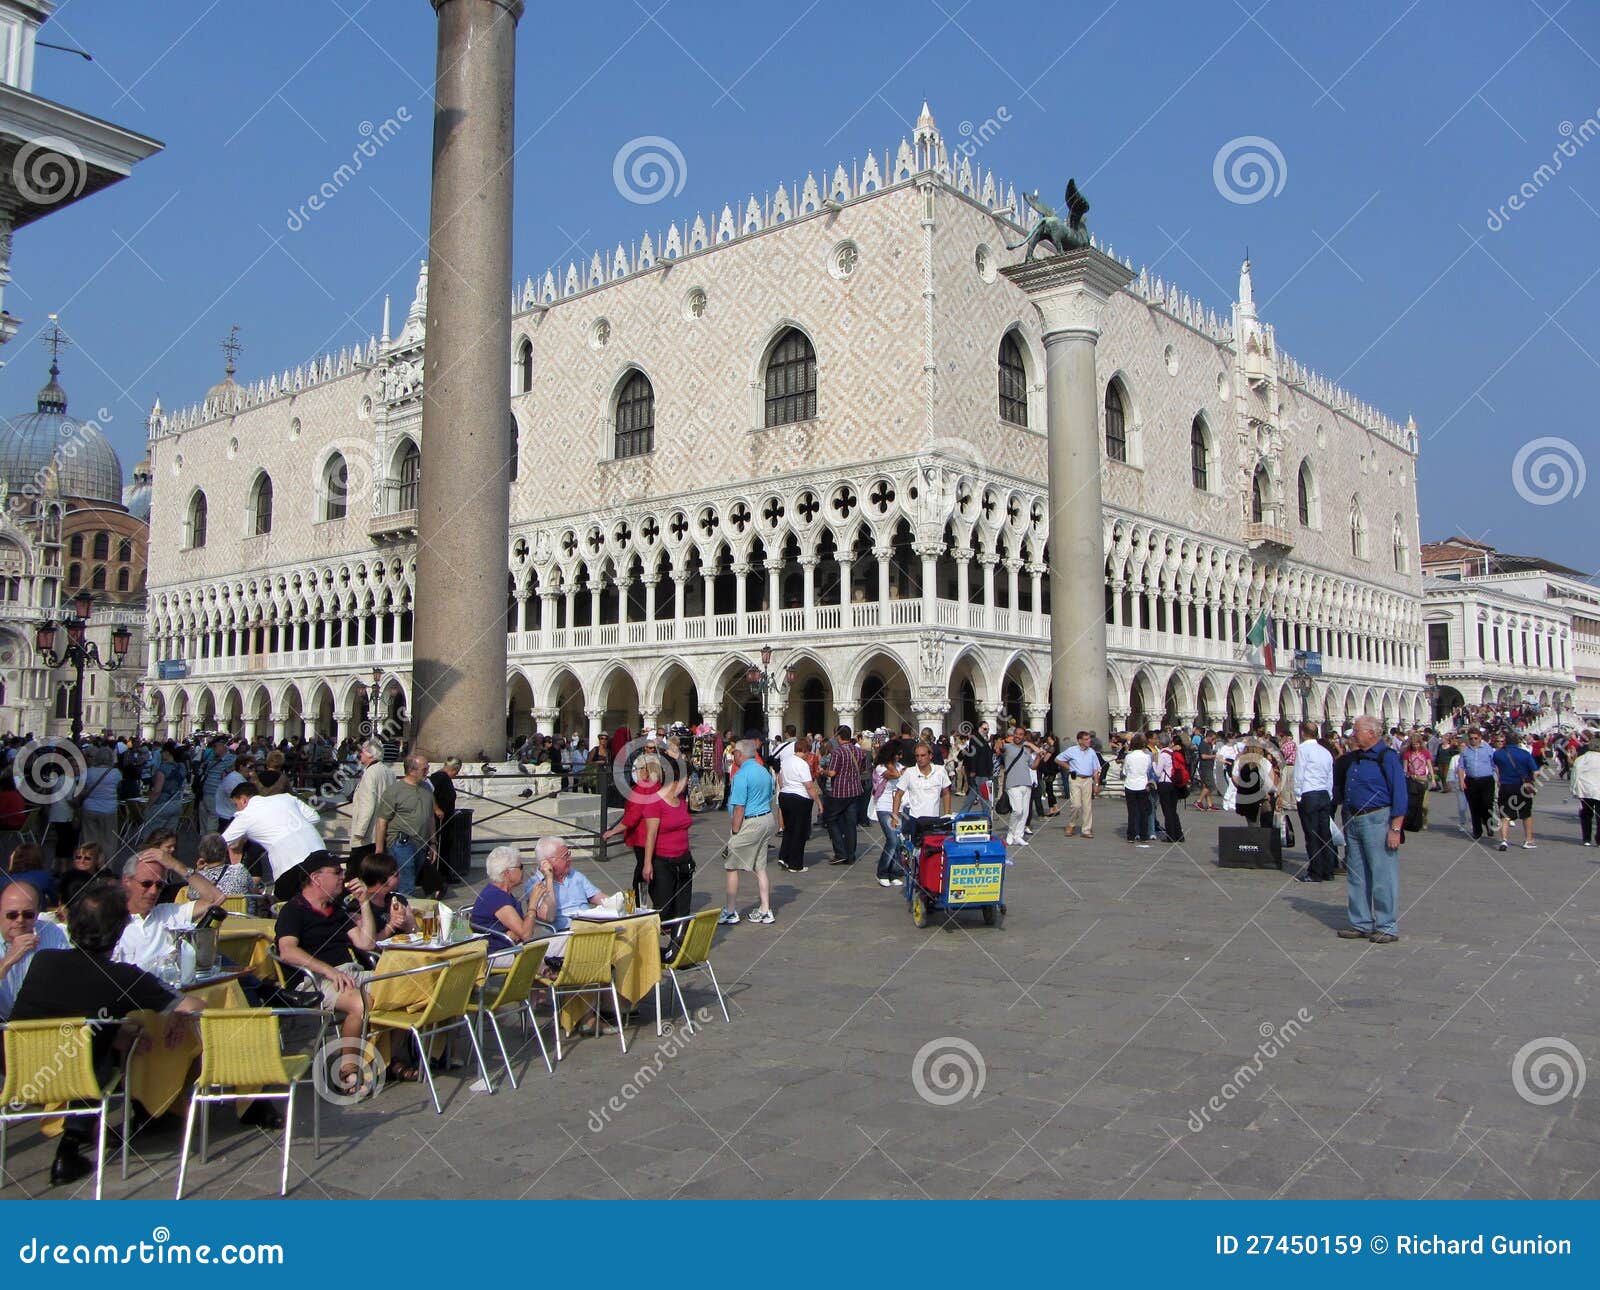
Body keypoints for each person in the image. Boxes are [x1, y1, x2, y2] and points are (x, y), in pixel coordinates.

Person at [11, 884, 207, 1186]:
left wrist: (114, 1028)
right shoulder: (125, 977)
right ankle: (77, 1141)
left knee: (100, 1039)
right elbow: (193, 1006)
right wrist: (169, 1017)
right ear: (119, 931)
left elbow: (62, 1011)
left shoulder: (43, 960)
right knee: (105, 1053)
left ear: (72, 927)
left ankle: (74, 1142)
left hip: (18, 1075)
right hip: (77, 1077)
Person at [273, 854, 378, 1093]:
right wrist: (328, 971)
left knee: (400, 991)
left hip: (351, 973)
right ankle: (347, 1070)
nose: (344, 877)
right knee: (361, 1004)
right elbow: (287, 950)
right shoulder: (294, 910)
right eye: (337, 872)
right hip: (314, 980)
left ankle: (389, 1061)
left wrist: (364, 902)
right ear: (316, 877)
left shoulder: (336, 908)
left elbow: (366, 943)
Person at [1332, 715, 1407, 943]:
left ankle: (1386, 925)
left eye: (1357, 731)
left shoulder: (1387, 757)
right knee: (1356, 873)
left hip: (1378, 819)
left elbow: (1400, 794)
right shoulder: (1355, 758)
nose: (1353, 734)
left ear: (1372, 733)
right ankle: (1361, 922)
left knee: (1382, 874)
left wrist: (1395, 828)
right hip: (1354, 819)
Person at [112, 847, 225, 972]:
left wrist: (176, 865)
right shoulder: (111, 923)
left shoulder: (169, 913)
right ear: (126, 881)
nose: (153, 891)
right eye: (146, 884)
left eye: (159, 885)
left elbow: (216, 898)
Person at [222, 782, 329, 899]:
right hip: (320, 852)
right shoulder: (286, 798)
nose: (236, 809)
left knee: (286, 903)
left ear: (243, 800)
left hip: (289, 866)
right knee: (325, 900)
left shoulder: (246, 815)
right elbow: (314, 817)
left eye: (236, 805)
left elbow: (221, 842)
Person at [722, 738, 776, 926]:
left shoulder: (742, 775)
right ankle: (765, 908)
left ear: (740, 754)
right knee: (760, 866)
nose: (733, 755)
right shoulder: (764, 771)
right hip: (767, 818)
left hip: (750, 822)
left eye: (734, 752)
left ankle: (730, 911)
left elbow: (739, 807)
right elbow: (770, 796)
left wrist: (735, 831)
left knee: (731, 865)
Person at [636, 755, 695, 926]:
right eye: (687, 779)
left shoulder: (682, 800)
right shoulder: (655, 802)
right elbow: (651, 835)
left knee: (683, 910)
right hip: (663, 861)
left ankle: (679, 946)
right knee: (663, 908)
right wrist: (647, 864)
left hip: (684, 860)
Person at [0, 879, 70, 1021]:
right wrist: (7, 961)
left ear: (37, 914)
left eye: (28, 915)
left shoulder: (52, 933)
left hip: (39, 1026)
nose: (20, 920)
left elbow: (68, 982)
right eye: (12, 915)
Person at [523, 837, 605, 954]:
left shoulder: (575, 875)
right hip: (564, 933)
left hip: (590, 927)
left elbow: (599, 897)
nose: (570, 858)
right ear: (548, 862)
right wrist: (549, 878)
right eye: (566, 856)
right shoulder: (534, 884)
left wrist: (622, 902)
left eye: (569, 854)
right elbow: (548, 916)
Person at [373, 753, 436, 896]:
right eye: (424, 769)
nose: (427, 772)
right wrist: (379, 850)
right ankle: (406, 911)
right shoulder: (394, 791)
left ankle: (395, 904)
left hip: (421, 842)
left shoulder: (427, 788)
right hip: (401, 842)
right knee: (407, 881)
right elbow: (382, 821)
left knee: (408, 878)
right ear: (412, 771)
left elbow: (430, 817)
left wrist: (433, 843)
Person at [471, 845, 544, 954]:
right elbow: (526, 934)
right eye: (520, 867)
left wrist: (517, 932)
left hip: (512, 948)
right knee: (561, 944)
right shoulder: (495, 896)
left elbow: (522, 932)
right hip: (498, 953)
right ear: (507, 873)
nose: (523, 870)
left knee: (559, 943)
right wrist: (533, 903)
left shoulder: (502, 894)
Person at [819, 726, 869, 866]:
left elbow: (832, 773)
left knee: (831, 819)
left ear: (839, 736)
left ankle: (840, 852)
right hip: (855, 791)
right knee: (851, 823)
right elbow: (863, 769)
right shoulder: (860, 752)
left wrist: (822, 771)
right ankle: (851, 855)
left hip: (840, 792)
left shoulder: (838, 752)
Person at [346, 738, 394, 874]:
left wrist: (360, 831)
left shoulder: (370, 773)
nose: (360, 754)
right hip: (381, 829)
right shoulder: (388, 771)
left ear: (370, 754)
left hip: (368, 832)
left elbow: (368, 804)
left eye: (362, 751)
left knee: (355, 870)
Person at [775, 734, 821, 873]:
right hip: (799, 798)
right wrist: (819, 802)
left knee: (789, 828)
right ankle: (795, 864)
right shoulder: (802, 764)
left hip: (785, 795)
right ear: (806, 751)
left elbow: (780, 779)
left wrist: (785, 789)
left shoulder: (787, 760)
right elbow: (808, 786)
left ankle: (784, 856)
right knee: (799, 832)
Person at [890, 742, 952, 842]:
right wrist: (895, 817)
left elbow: (946, 793)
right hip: (915, 820)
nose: (919, 758)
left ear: (930, 756)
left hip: (934, 819)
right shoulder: (909, 772)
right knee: (916, 851)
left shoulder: (940, 771)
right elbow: (898, 794)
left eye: (923, 755)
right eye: (917, 756)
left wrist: (947, 814)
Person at [1492, 729, 1540, 852]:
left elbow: (1496, 767)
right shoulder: (1525, 754)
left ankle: (1504, 840)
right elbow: (1535, 772)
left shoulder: (1498, 754)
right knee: (1526, 814)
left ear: (1505, 741)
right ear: (1518, 741)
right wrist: (1531, 781)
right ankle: (1528, 840)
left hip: (1505, 785)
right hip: (1522, 787)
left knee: (1505, 815)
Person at [427, 755, 467, 896]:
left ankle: (444, 874)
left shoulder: (444, 778)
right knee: (441, 846)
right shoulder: (439, 777)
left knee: (446, 846)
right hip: (439, 820)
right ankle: (440, 876)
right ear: (455, 769)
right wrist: (436, 808)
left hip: (446, 818)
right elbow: (428, 791)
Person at [74, 745, 122, 858]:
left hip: (90, 808)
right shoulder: (116, 773)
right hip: (109, 809)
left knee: (89, 840)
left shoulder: (89, 772)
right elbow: (119, 788)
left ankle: (88, 864)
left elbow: (82, 789)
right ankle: (106, 866)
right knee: (109, 841)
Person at [998, 727, 1040, 848]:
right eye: (1016, 734)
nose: (1018, 736)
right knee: (1017, 810)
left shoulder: (1026, 751)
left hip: (1026, 783)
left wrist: (1039, 756)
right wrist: (1003, 739)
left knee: (1025, 812)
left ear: (1024, 736)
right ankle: (1010, 833)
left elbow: (1033, 766)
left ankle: (1019, 835)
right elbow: (999, 747)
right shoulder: (1007, 747)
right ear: (1013, 735)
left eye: (1021, 734)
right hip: (1012, 784)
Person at [870, 741, 904, 887]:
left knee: (898, 841)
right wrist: (890, 762)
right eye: (898, 754)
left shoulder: (899, 765)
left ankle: (893, 872)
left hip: (898, 807)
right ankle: (882, 872)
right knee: (891, 839)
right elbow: (895, 775)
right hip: (883, 806)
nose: (900, 757)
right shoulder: (880, 767)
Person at [359, 851, 415, 940]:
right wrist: (392, 924)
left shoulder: (398, 899)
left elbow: (415, 931)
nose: (399, 876)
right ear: (381, 879)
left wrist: (405, 922)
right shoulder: (359, 905)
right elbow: (370, 944)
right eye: (395, 874)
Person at [1057, 731, 1102, 838]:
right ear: (1080, 741)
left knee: (1087, 806)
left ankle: (1086, 829)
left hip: (1087, 779)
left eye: (1089, 739)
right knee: (1076, 805)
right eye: (1086, 739)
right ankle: (1071, 824)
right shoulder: (1072, 750)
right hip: (1075, 779)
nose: (1089, 741)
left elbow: (1096, 769)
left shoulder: (1092, 752)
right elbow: (1058, 759)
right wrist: (1069, 767)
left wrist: (1096, 784)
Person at [1456, 728, 1497, 840]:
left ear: (1480, 738)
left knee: (1487, 804)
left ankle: (1488, 824)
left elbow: (1495, 765)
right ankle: (1477, 831)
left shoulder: (1488, 749)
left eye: (1476, 738)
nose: (1473, 740)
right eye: (1471, 738)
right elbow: (1461, 767)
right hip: (1471, 780)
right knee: (1474, 807)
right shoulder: (1465, 751)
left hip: (1486, 780)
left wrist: (1500, 780)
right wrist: (1461, 781)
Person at [190, 831, 254, 897]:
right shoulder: (240, 870)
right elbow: (253, 891)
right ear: (224, 851)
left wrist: (197, 871)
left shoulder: (197, 880)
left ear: (202, 854)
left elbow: (191, 897)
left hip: (209, 907)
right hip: (236, 907)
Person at [0, 841, 58, 909]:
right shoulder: (44, 876)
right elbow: (55, 900)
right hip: (36, 915)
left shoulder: (3, 880)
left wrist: (10, 868)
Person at [1121, 733, 1155, 847]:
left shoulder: (1128, 756)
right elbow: (1148, 769)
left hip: (1130, 784)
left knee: (1132, 812)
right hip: (1142, 785)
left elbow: (1125, 771)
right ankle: (1144, 835)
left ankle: (1131, 835)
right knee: (1143, 811)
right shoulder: (1147, 757)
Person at [956, 721, 995, 815]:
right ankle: (987, 815)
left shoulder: (982, 739)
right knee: (983, 794)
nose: (987, 731)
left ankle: (962, 813)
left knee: (973, 794)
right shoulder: (975, 739)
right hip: (980, 771)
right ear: (979, 728)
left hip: (983, 770)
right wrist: (973, 770)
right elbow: (974, 755)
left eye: (988, 729)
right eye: (985, 729)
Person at [1573, 736, 1600, 847]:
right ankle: (1599, 839)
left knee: (1586, 815)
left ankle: (1586, 839)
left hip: (1585, 790)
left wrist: (1574, 790)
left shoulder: (1581, 759)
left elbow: (1575, 775)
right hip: (1598, 790)